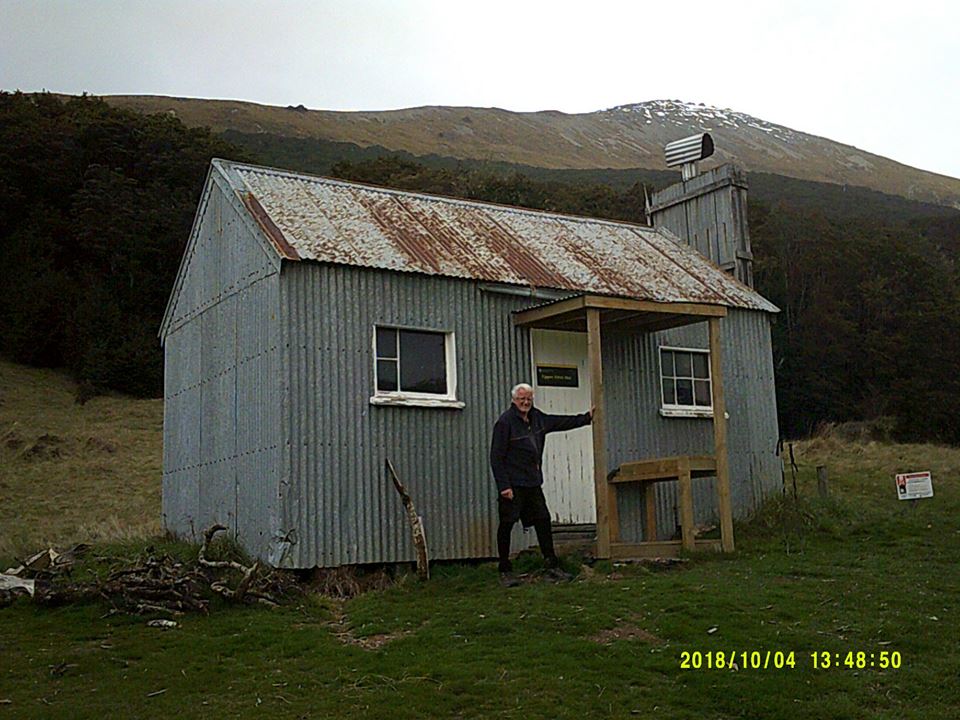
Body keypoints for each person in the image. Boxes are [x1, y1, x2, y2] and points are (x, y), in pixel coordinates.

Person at [490, 382, 593, 586]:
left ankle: (551, 565)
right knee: (507, 523)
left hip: (532, 482)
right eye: (522, 399)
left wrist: (586, 418)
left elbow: (560, 422)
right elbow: (496, 457)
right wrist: (504, 486)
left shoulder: (538, 418)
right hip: (512, 483)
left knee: (543, 520)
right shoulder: (505, 422)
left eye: (528, 399)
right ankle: (504, 569)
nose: (525, 402)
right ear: (514, 400)